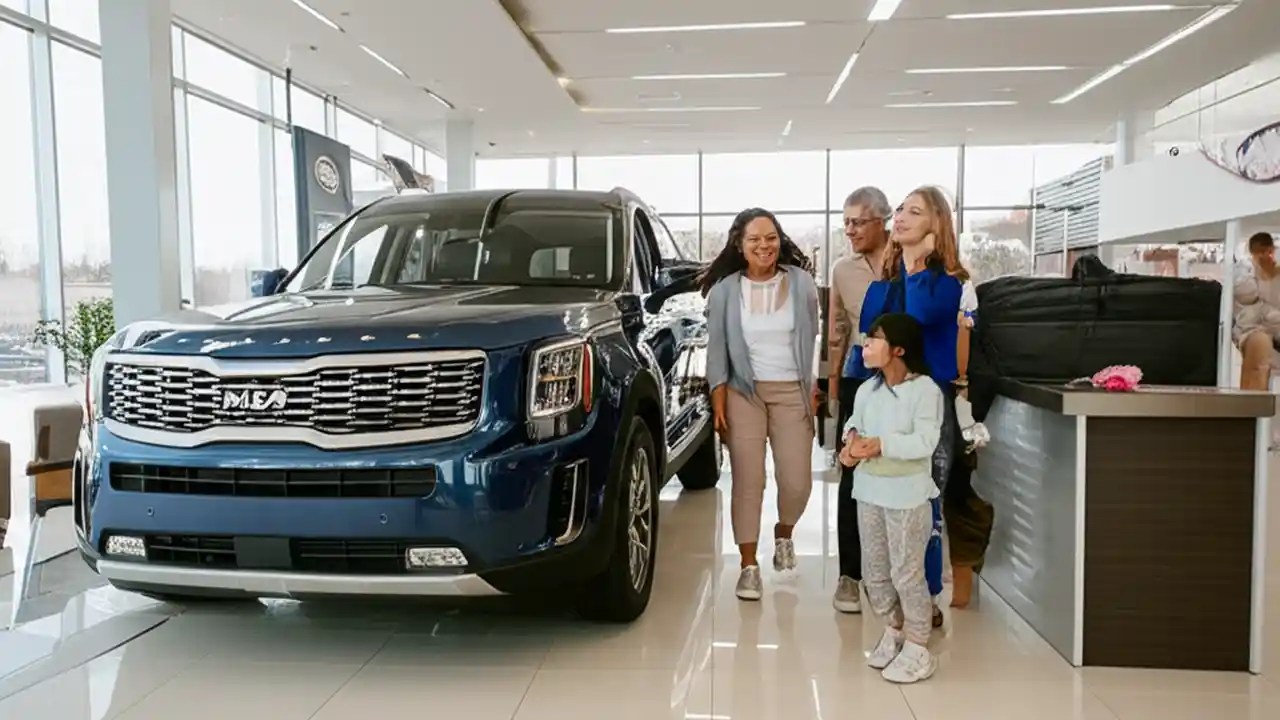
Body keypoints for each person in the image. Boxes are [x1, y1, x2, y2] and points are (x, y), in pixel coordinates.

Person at [846, 186, 969, 621]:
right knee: (884, 506)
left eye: (913, 212)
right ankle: (896, 604)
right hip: (885, 401)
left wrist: (919, 262)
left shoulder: (945, 283)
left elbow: (915, 319)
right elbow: (871, 327)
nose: (899, 217)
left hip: (927, 406)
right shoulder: (895, 279)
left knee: (923, 507)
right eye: (899, 209)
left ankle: (927, 600)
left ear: (936, 225)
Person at [703, 208, 821, 601]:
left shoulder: (802, 284)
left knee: (797, 481)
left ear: (779, 239)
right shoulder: (724, 291)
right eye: (754, 239)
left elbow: (813, 340)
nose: (764, 245)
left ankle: (784, 532)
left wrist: (815, 388)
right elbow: (717, 348)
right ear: (740, 244)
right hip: (743, 392)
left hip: (792, 392)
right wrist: (718, 395)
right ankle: (748, 565)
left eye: (770, 237)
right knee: (748, 480)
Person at [839, 312, 942, 684]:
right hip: (869, 494)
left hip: (908, 498)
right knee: (876, 573)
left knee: (906, 573)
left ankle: (918, 644)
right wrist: (850, 446)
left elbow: (925, 442)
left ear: (898, 348)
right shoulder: (868, 390)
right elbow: (854, 425)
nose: (866, 344)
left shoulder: (926, 391)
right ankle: (894, 629)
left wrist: (881, 444)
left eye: (875, 338)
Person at [826, 186, 892, 614]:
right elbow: (835, 328)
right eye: (845, 221)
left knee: (898, 472)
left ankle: (898, 575)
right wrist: (831, 383)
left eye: (858, 222)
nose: (850, 230)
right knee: (853, 474)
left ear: (883, 221)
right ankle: (850, 575)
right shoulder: (842, 269)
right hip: (857, 375)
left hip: (905, 378)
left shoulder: (906, 261)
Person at [1235, 232, 1280, 391]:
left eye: (1268, 251)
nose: (1265, 256)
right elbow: (1246, 298)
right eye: (1260, 252)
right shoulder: (1245, 274)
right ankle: (1251, 410)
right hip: (1251, 329)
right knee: (1259, 343)